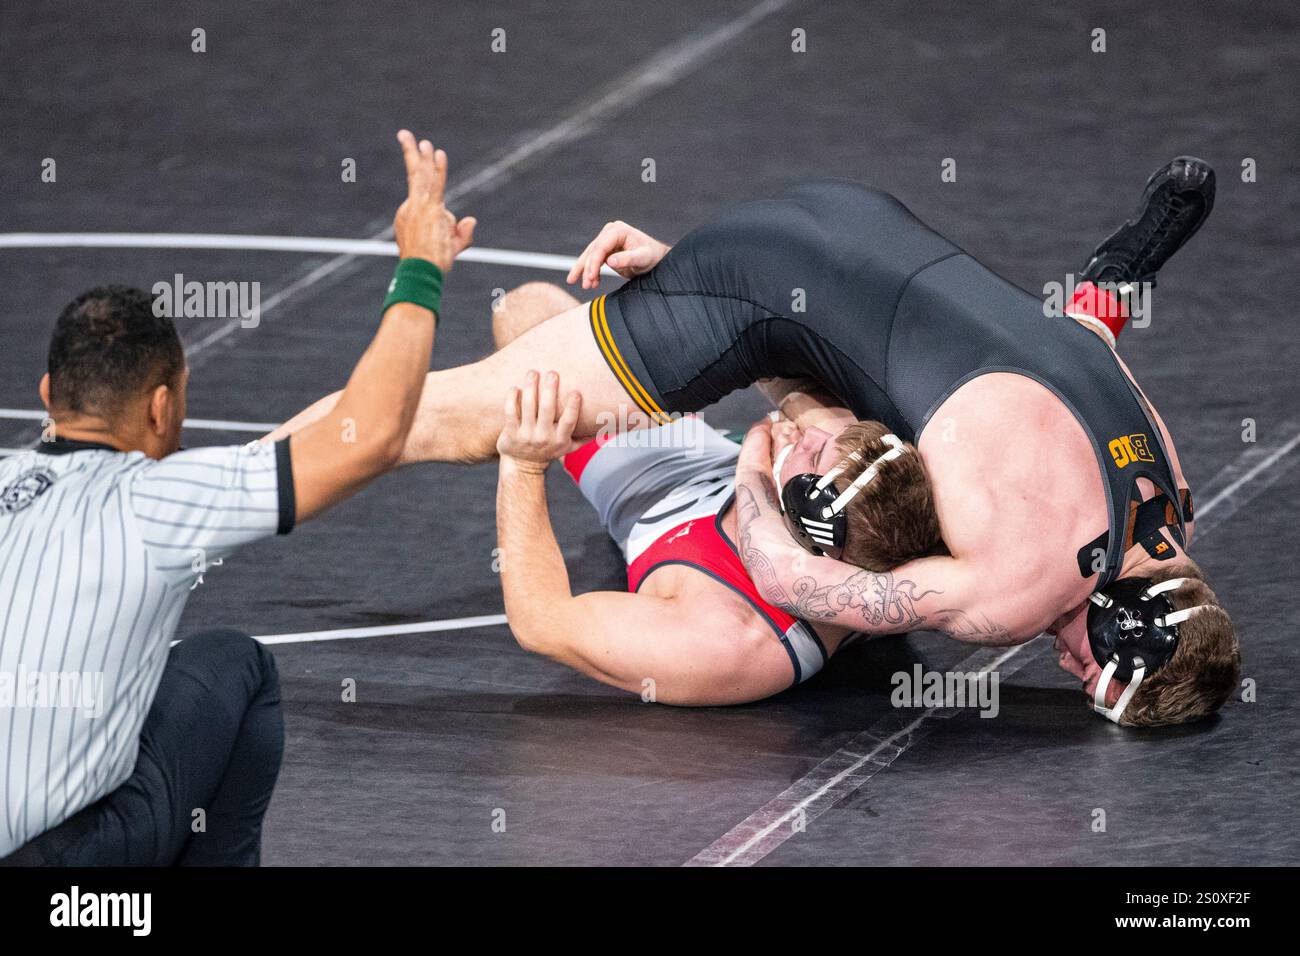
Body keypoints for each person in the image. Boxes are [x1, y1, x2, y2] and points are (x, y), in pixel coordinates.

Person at [274, 158, 1240, 726]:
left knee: (876, 419)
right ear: (1123, 631)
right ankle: (199, 488)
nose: (1070, 673)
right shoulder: (1024, 590)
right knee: (416, 423)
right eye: (1091, 673)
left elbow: (1090, 317)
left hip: (847, 226)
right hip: (770, 297)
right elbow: (790, 578)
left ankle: (711, 307)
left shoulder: (1162, 476)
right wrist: (758, 458)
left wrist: (705, 301)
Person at [0, 130, 473, 864]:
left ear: (46, 399)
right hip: (63, 870)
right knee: (234, 666)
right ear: (160, 409)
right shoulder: (156, 500)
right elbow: (369, 436)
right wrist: (419, 267)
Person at [490, 284, 943, 704]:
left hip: (669, 497)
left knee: (523, 317)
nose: (805, 435)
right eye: (818, 439)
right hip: (734, 473)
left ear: (811, 514)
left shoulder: (728, 638)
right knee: (534, 306)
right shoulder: (891, 505)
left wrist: (523, 464)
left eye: (813, 451)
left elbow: (542, 621)